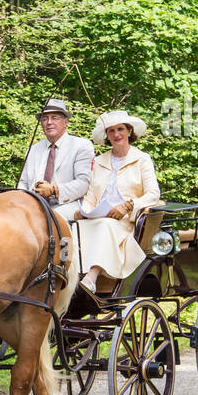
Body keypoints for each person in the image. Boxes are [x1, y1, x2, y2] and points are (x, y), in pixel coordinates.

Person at [70, 109, 161, 295]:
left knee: (105, 225)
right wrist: (84, 211)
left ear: (129, 131)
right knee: (73, 227)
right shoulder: (98, 161)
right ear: (107, 136)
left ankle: (91, 277)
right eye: (111, 131)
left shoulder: (142, 159)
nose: (116, 134)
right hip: (98, 217)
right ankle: (68, 278)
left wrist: (128, 206)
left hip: (126, 222)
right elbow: (90, 197)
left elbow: (153, 194)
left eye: (120, 129)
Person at [16, 98, 94, 221]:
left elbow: (83, 183)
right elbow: (23, 183)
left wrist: (54, 190)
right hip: (33, 205)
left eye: (54, 117)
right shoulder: (33, 149)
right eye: (45, 118)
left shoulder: (81, 145)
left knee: (44, 220)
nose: (49, 122)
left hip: (67, 205)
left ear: (65, 122)